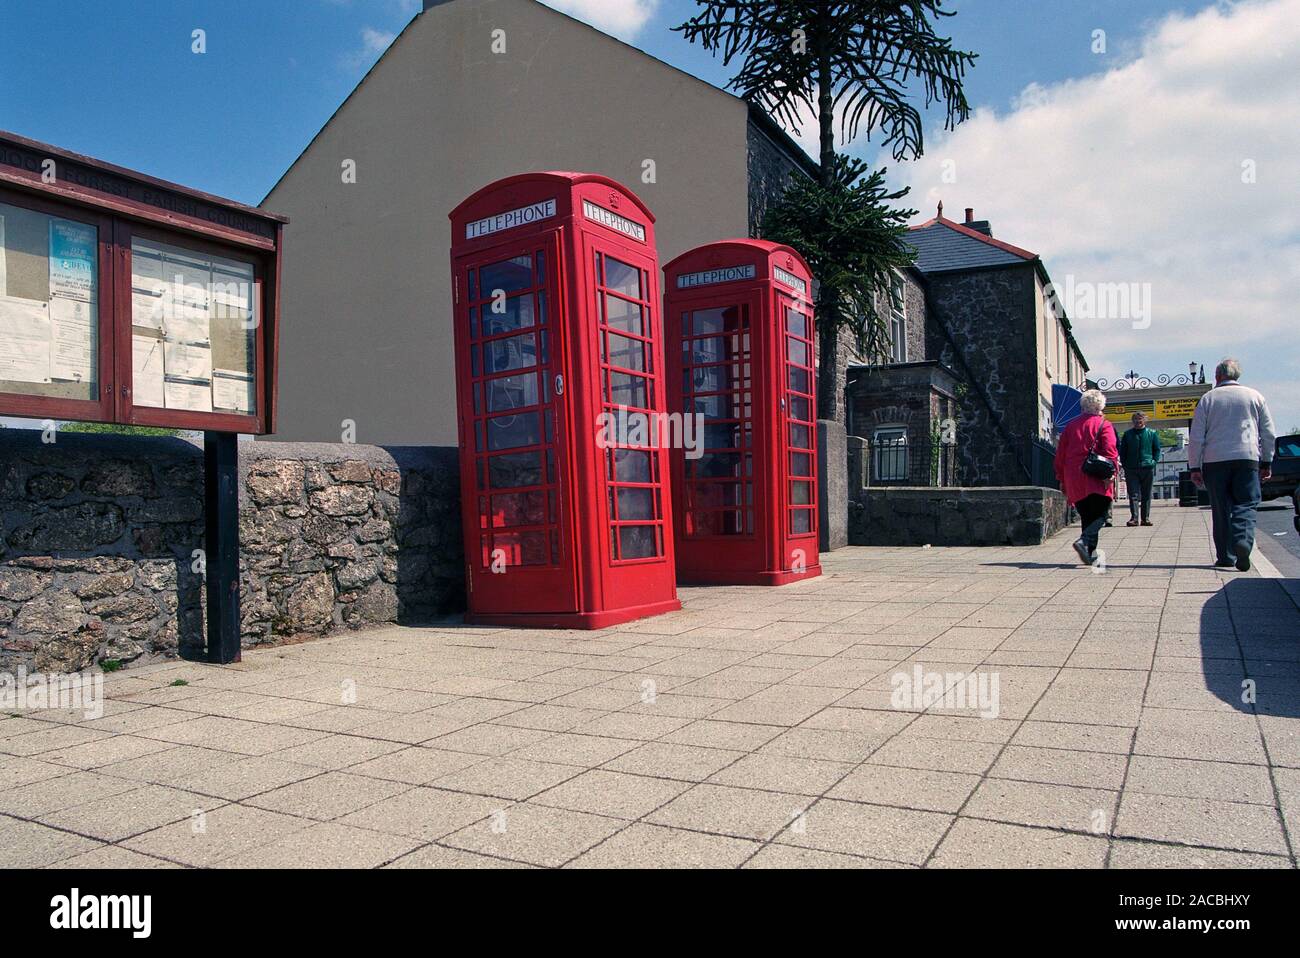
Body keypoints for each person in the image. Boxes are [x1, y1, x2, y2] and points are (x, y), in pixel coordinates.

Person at [1189, 358, 1276, 571]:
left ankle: (1226, 556)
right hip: (1247, 458)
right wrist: (1266, 461)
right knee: (1246, 502)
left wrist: (1194, 467)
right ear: (1237, 375)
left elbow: (1197, 436)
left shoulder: (1208, 399)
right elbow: (1268, 433)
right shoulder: (1254, 396)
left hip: (1215, 461)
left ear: (1217, 376)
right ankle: (1243, 540)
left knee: (1220, 508)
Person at [1055, 389, 1119, 566]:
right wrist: (1111, 473)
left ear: (1082, 405)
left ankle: (1089, 553)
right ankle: (1083, 541)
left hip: (1074, 474)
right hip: (1096, 474)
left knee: (1087, 515)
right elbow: (1110, 451)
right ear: (1101, 406)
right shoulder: (1104, 424)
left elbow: (1060, 454)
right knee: (1101, 514)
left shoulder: (1070, 426)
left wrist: (1061, 477)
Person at [1119, 411, 1161, 526]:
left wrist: (1153, 462)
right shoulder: (1127, 435)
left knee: (1146, 493)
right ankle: (1134, 518)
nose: (1138, 421)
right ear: (1133, 421)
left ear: (1145, 420)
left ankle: (1145, 518)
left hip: (1147, 467)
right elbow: (1122, 452)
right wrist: (1125, 464)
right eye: (1136, 419)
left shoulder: (1152, 433)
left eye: (1140, 419)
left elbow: (1157, 450)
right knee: (1133, 494)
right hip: (1131, 468)